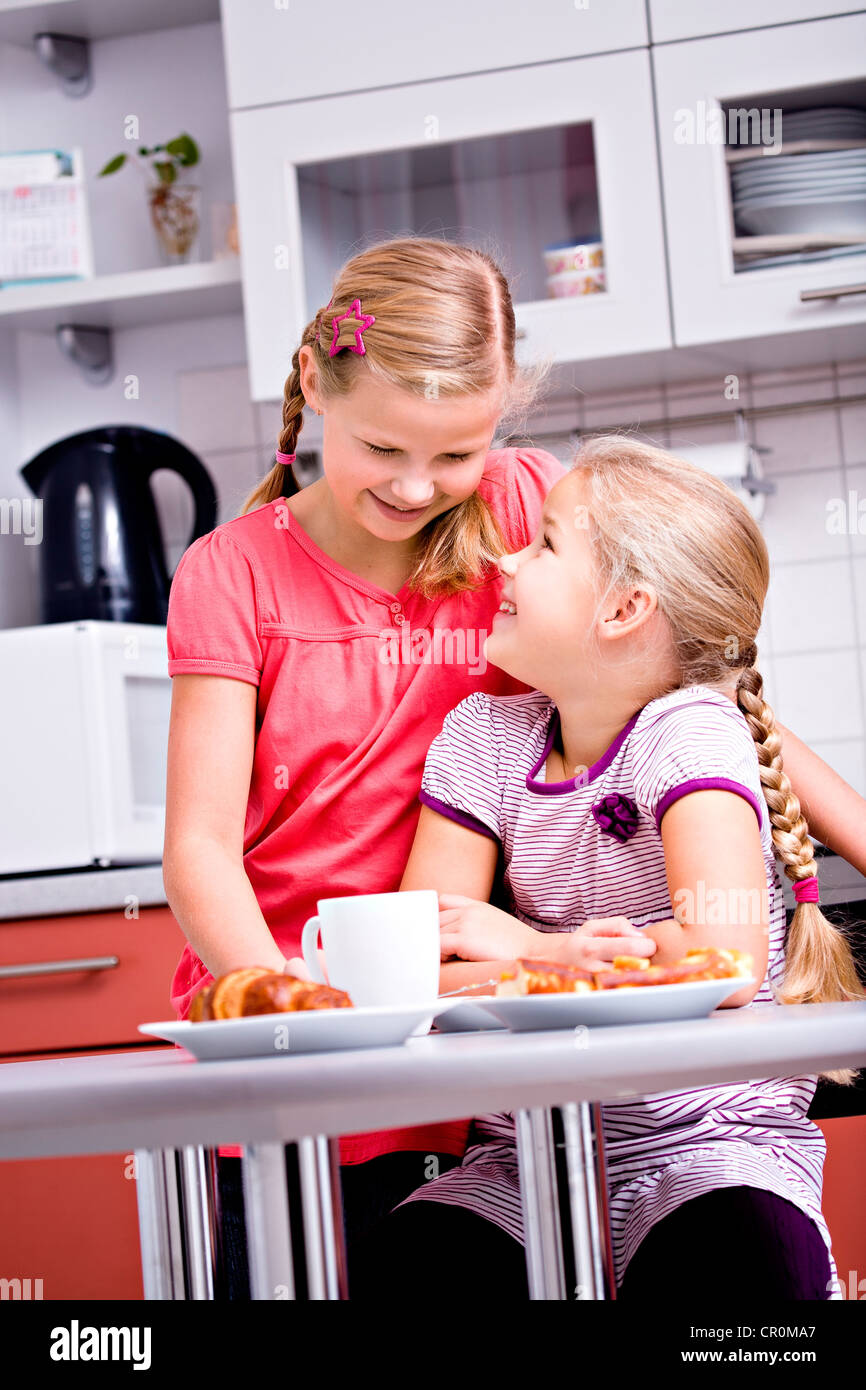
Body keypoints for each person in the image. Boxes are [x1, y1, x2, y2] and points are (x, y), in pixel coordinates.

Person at [162, 234, 865, 1298]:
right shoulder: (232, 572)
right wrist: (291, 1005)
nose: (417, 487)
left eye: (454, 454)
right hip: (303, 1026)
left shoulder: (520, 503)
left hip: (473, 1045)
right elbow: (201, 846)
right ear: (313, 383)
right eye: (380, 448)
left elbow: (698, 685)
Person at [350, 432, 866, 1302]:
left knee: (743, 1275)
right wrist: (534, 960)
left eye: (545, 543)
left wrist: (532, 953)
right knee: (412, 1271)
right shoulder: (482, 740)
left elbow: (724, 960)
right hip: (522, 1160)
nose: (506, 559)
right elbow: (418, 969)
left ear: (624, 608)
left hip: (712, 1147)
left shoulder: (689, 731)